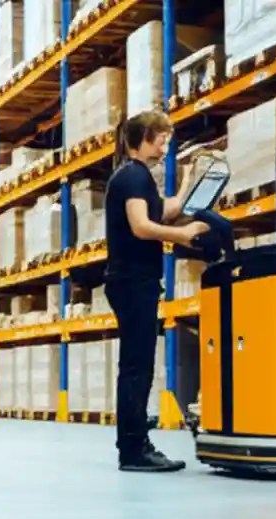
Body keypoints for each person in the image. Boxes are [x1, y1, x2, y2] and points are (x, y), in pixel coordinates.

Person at [104, 111, 209, 473]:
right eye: (162, 139)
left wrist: (189, 183)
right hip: (132, 281)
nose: (165, 146)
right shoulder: (132, 175)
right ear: (145, 137)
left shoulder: (137, 177)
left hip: (135, 281)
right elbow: (142, 226)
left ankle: (133, 442)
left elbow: (166, 210)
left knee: (138, 364)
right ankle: (134, 450)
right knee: (136, 366)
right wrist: (182, 235)